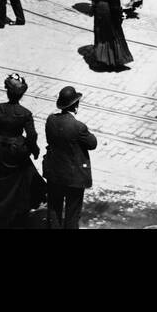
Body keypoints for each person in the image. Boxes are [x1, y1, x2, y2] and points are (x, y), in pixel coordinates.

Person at [0, 74, 45, 228]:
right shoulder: (25, 113)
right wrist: (33, 150)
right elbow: (32, 135)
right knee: (19, 181)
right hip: (16, 153)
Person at [43, 85, 98, 229]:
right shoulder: (78, 127)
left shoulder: (51, 120)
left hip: (55, 173)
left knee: (54, 208)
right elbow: (93, 144)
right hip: (74, 177)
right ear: (75, 106)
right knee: (72, 214)